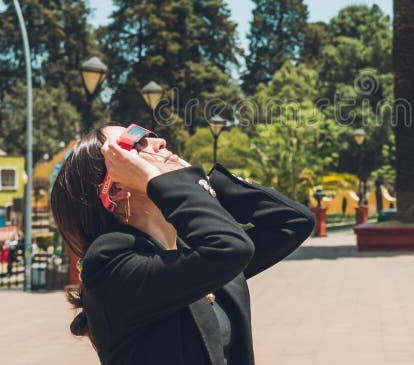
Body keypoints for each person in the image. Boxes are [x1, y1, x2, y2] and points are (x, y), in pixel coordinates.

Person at [50, 125, 314, 364]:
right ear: (116, 188)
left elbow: (293, 221)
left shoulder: (191, 250)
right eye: (136, 141)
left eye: (148, 134)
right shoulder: (111, 262)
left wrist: (200, 181)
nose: (160, 141)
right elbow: (231, 248)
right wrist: (169, 182)